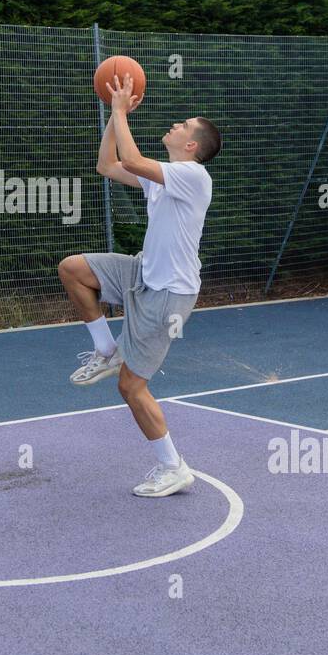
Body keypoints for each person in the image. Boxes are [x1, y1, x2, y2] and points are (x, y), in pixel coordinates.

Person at [58, 73, 220, 496]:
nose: (175, 125)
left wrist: (118, 108)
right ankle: (106, 349)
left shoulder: (193, 176)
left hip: (169, 294)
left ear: (192, 146)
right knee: (73, 268)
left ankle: (173, 467)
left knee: (131, 386)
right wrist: (117, 118)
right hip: (143, 272)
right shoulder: (164, 176)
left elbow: (130, 159)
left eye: (183, 125)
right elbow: (108, 164)